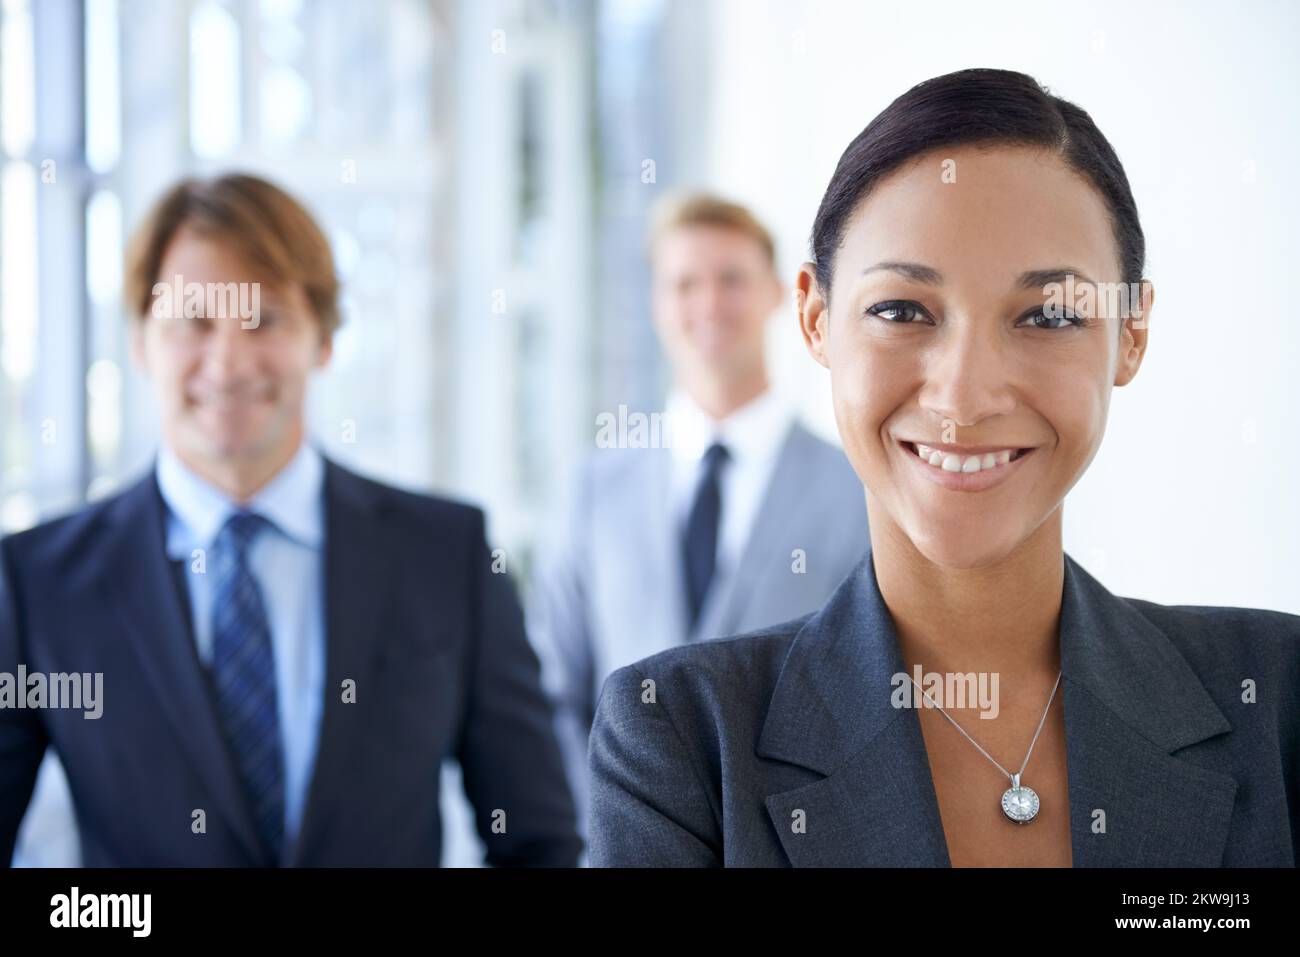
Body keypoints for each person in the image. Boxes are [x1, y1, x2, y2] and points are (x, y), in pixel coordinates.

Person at [587, 69, 1300, 867]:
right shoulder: (683, 744)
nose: (963, 395)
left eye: (1048, 315)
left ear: (1131, 334)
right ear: (816, 321)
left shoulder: (1279, 701)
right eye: (901, 310)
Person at [0, 173, 581, 866]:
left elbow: (540, 842)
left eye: (264, 318)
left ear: (324, 337)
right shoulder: (40, 582)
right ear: (141, 342)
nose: (228, 360)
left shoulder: (445, 556)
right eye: (195, 321)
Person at [528, 193, 868, 846]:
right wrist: (601, 827)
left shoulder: (854, 487)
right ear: (658, 304)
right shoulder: (594, 490)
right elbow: (554, 692)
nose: (708, 304)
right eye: (684, 283)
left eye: (731, 279)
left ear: (778, 294)